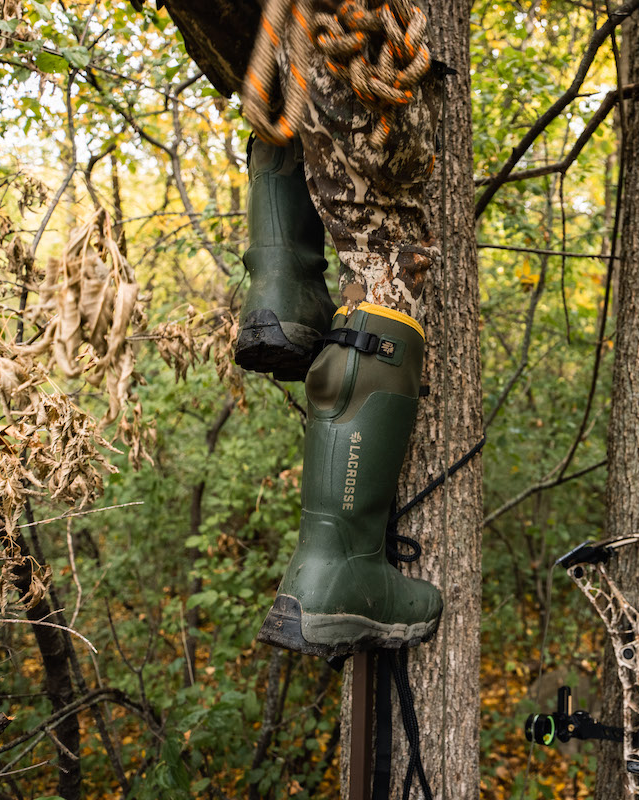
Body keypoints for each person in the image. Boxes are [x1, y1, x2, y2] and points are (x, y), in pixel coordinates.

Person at [231, 0, 445, 659]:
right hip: (352, 47)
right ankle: (340, 579)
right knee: (387, 280)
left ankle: (284, 288)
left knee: (290, 123)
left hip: (312, 36)